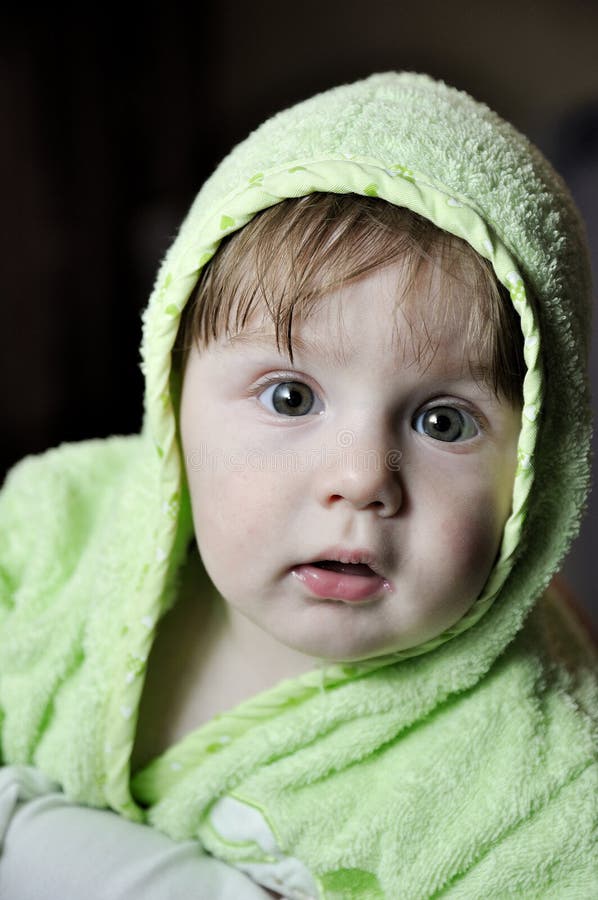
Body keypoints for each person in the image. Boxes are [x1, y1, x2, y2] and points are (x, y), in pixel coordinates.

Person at [0, 72, 596, 899]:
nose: (360, 482)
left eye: (443, 422)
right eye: (291, 397)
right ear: (172, 401)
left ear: (539, 469)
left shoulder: (546, 795)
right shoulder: (43, 540)